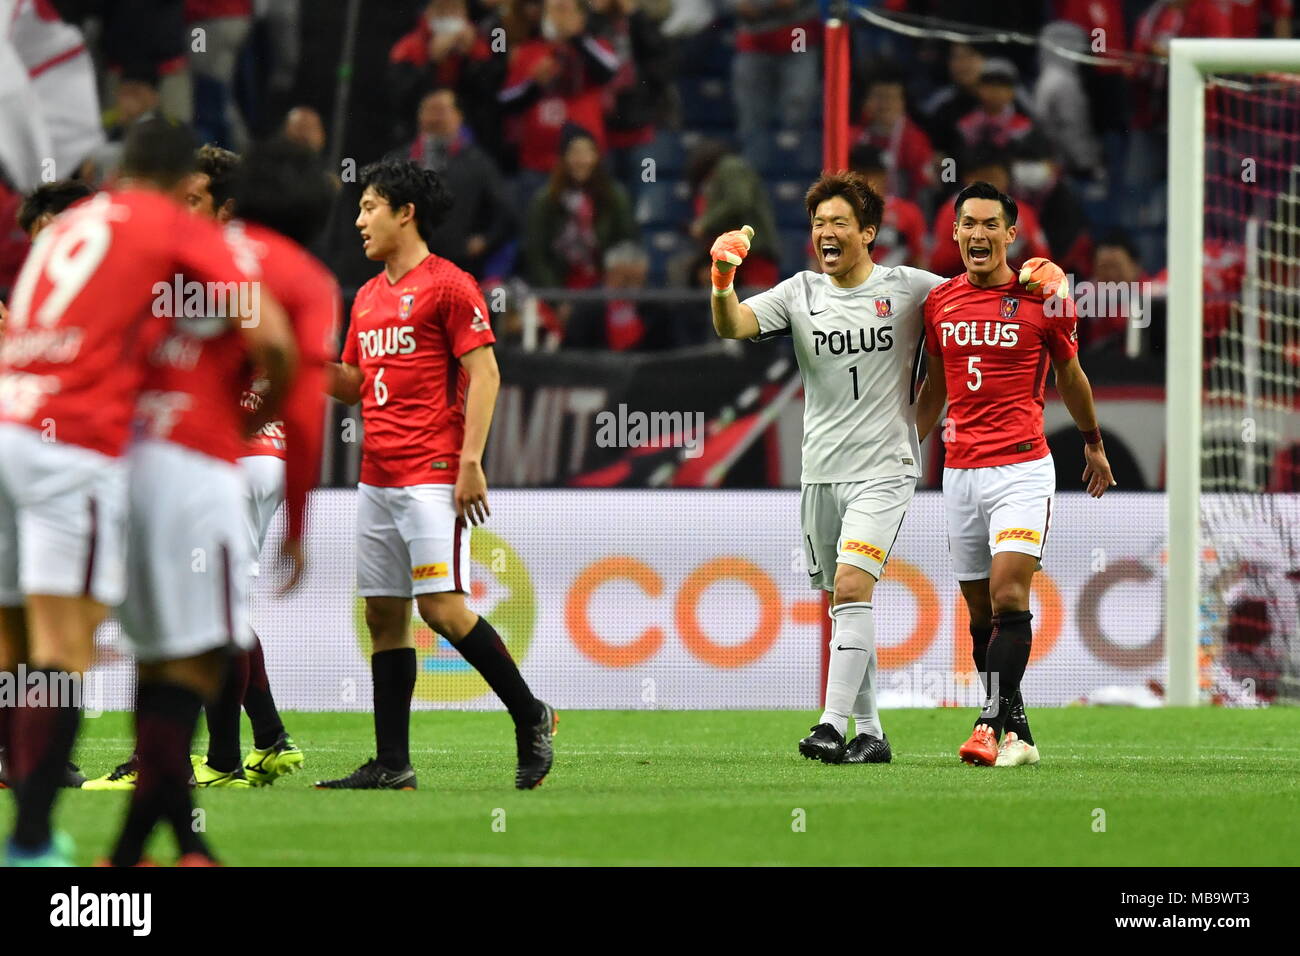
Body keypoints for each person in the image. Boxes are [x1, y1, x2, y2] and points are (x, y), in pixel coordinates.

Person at [0, 118, 287, 866]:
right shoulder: (166, 226)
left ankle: (132, 838)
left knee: (15, 646)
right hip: (72, 444)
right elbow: (271, 336)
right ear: (177, 184)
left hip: (8, 423)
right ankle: (31, 840)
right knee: (71, 648)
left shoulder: (64, 230)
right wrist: (249, 411)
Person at [707, 171, 1064, 765]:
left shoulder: (912, 288)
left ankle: (830, 723)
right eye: (819, 223)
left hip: (886, 467)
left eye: (839, 222)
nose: (827, 232)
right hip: (821, 471)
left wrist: (1041, 280)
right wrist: (722, 281)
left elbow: (980, 287)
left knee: (852, 587)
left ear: (868, 232)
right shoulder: (799, 293)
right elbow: (733, 324)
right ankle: (870, 734)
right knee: (844, 605)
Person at [321, 158, 557, 790]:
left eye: (371, 206)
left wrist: (470, 461)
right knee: (382, 617)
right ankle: (393, 765)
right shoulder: (367, 296)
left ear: (406, 213)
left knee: (443, 611)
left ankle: (532, 715)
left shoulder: (450, 286)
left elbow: (486, 374)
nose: (360, 218)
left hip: (431, 471)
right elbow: (351, 383)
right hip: (377, 476)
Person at [916, 180, 1114, 768]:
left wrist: (1093, 443)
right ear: (954, 233)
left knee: (1009, 594)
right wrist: (904, 448)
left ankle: (985, 722)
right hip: (960, 471)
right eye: (967, 224)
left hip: (1023, 467)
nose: (978, 234)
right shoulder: (940, 303)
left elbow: (1071, 377)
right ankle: (1017, 733)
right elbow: (935, 386)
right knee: (981, 614)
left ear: (1010, 233)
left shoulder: (1044, 299)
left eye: (989, 225)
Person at [0, 178, 96, 793]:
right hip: (21, 474)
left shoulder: (117, 301)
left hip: (75, 477)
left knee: (54, 631)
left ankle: (40, 760)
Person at [408, 88, 516, 277]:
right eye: (429, 111)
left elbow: (505, 211)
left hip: (460, 267)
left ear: (458, 116)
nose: (435, 119)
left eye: (441, 111)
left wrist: (485, 240)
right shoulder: (400, 161)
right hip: (408, 266)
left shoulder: (478, 163)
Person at [524, 123, 636, 289]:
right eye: (575, 153)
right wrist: (557, 298)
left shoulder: (614, 197)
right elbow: (537, 256)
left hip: (604, 286)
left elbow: (626, 242)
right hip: (559, 286)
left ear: (597, 157)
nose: (582, 160)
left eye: (587, 152)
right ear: (563, 158)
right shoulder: (546, 201)